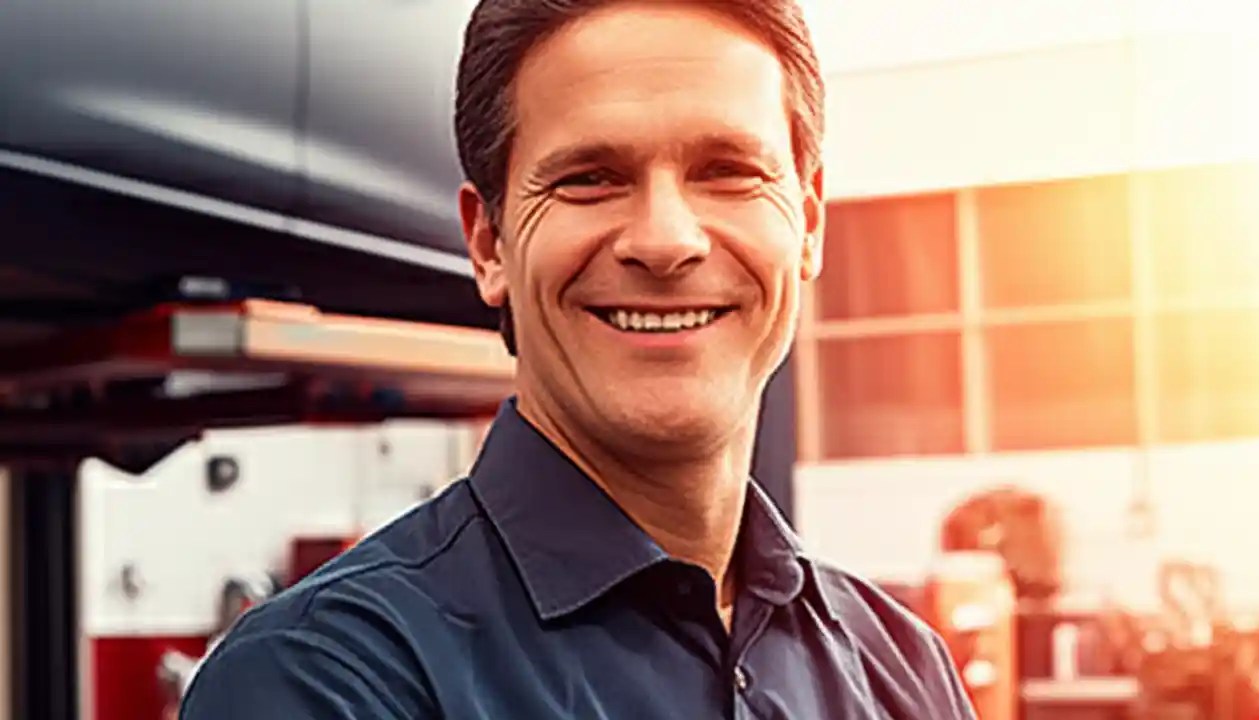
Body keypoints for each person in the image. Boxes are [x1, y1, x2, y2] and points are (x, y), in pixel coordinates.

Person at [180, 0, 977, 717]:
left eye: (728, 172)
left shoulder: (902, 670)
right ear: (488, 243)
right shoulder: (325, 682)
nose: (666, 240)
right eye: (590, 178)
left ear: (807, 225)